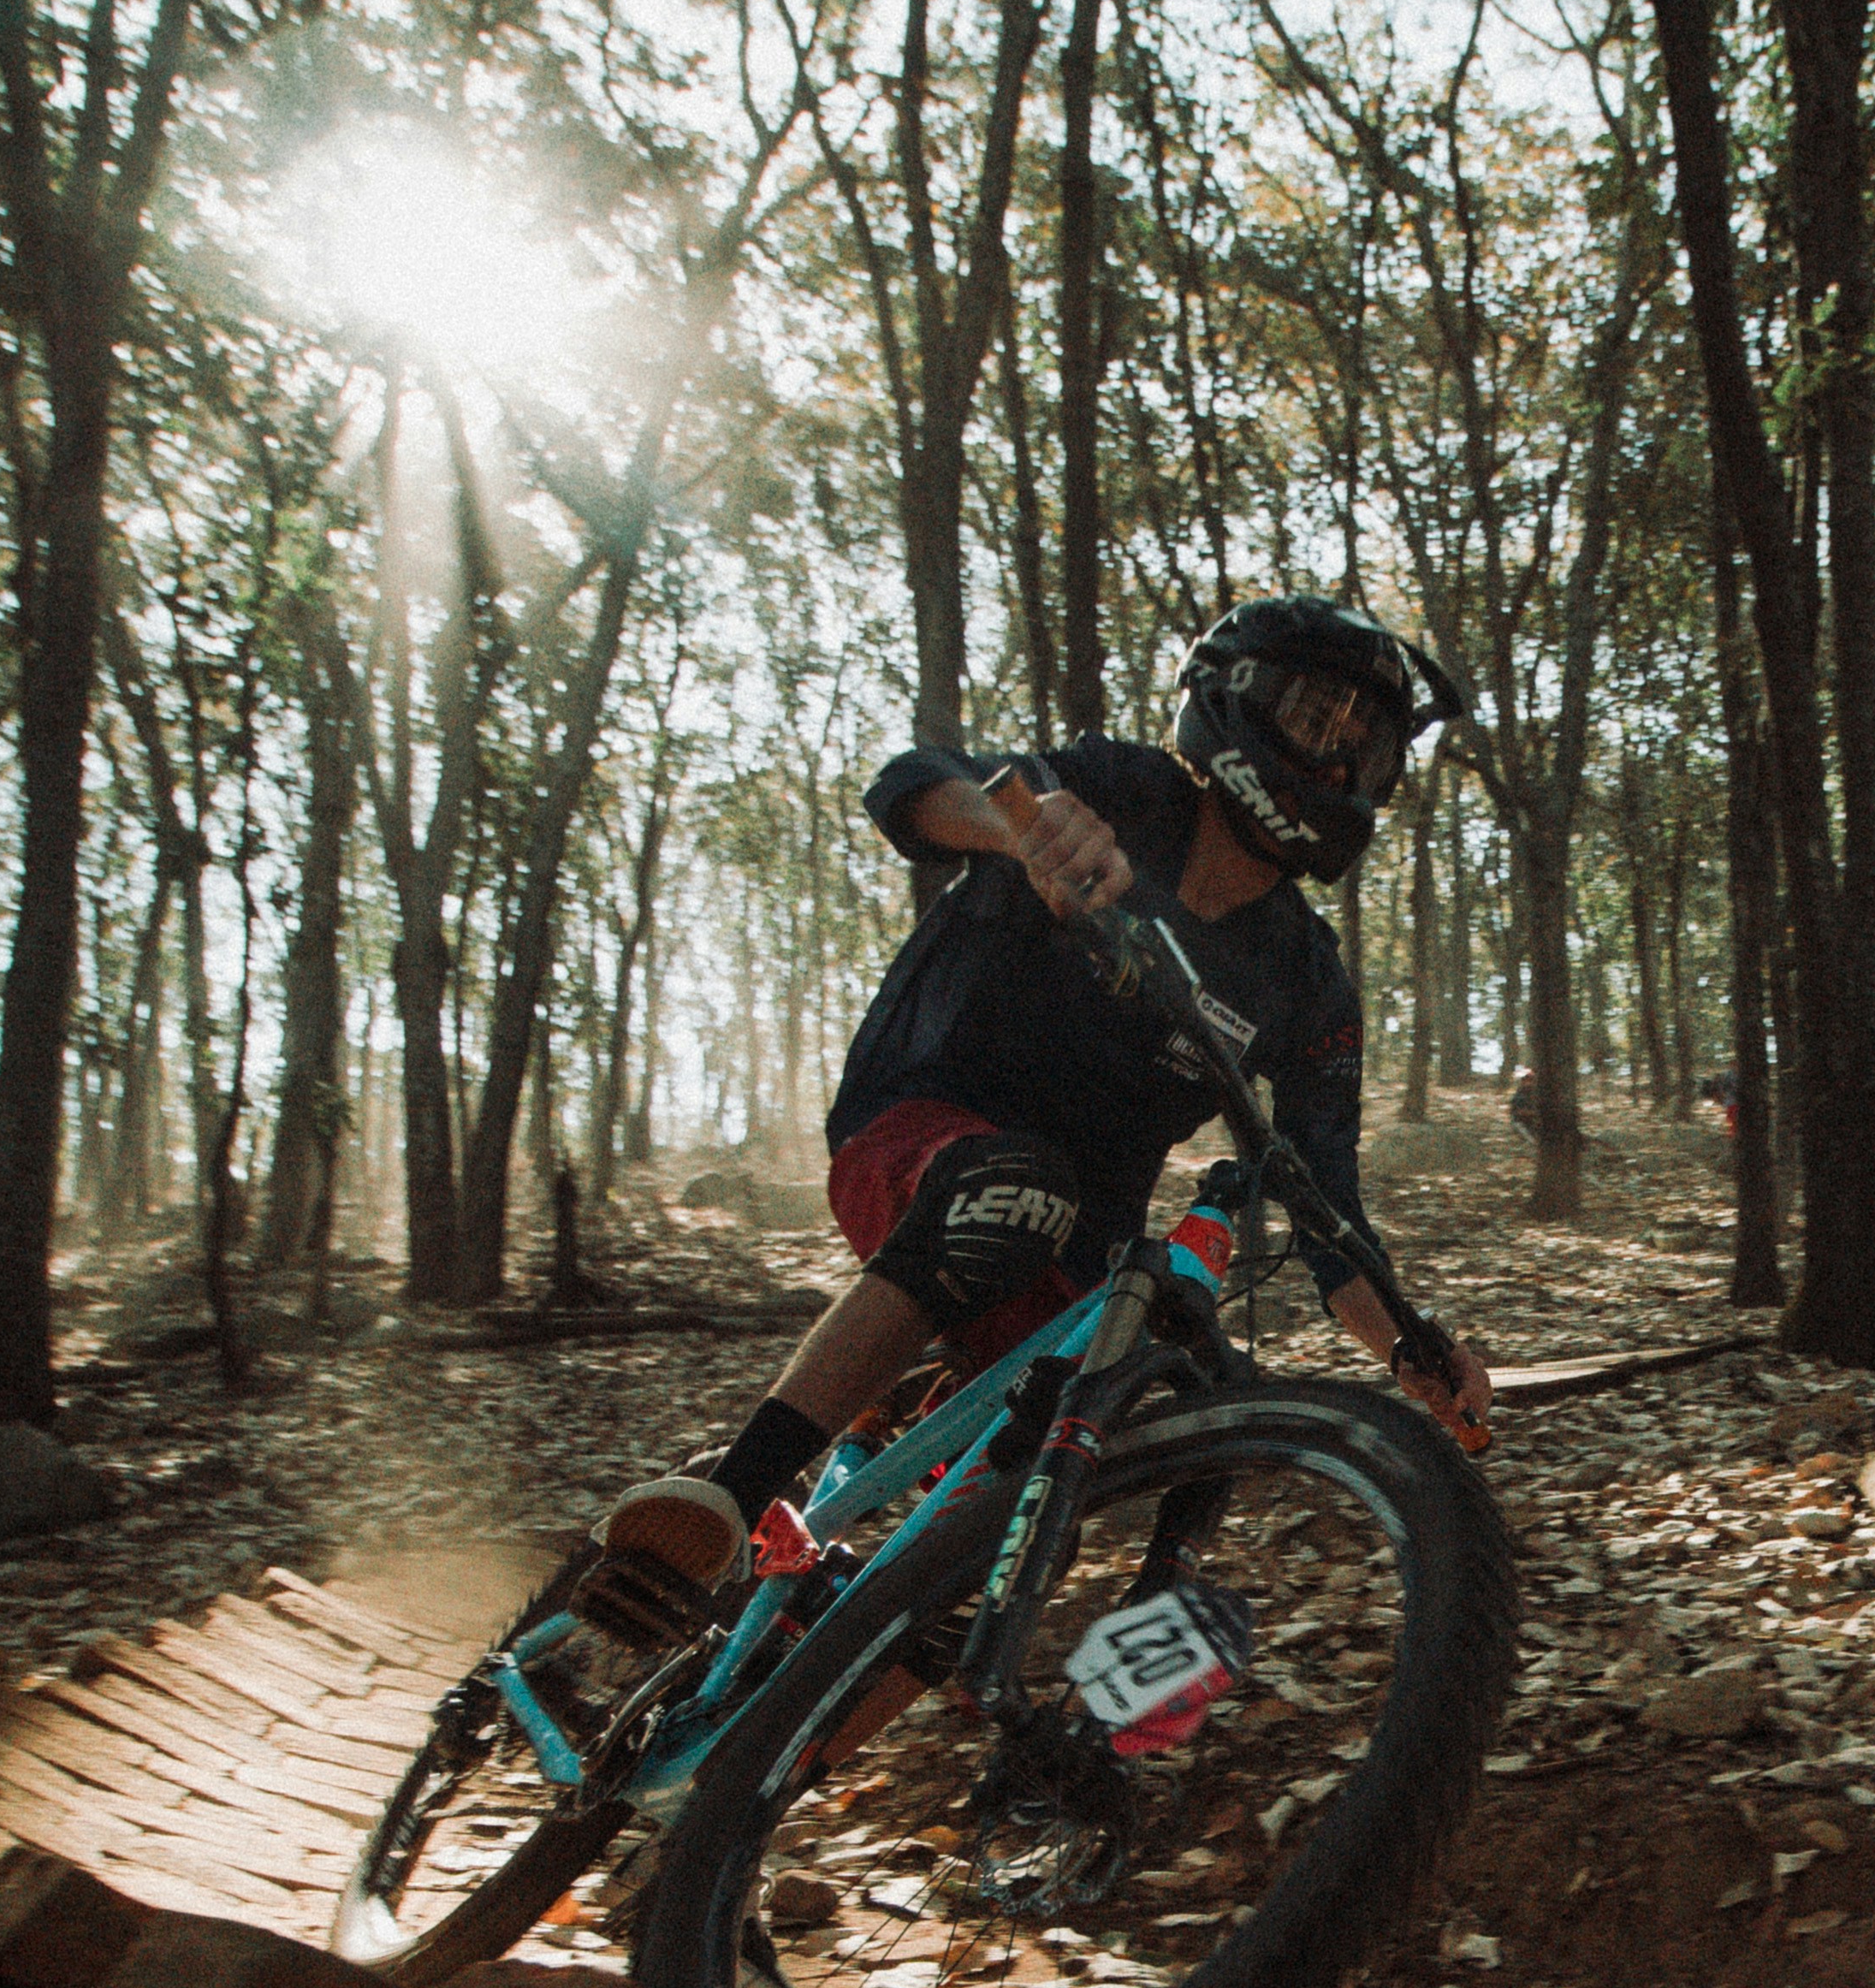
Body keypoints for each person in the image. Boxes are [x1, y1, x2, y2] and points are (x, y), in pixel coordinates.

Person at [582, 597, 1495, 1639]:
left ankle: (787, 1755)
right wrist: (1022, 830)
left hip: (1077, 1258)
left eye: (1368, 752)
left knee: (1126, 1433)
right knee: (1014, 1193)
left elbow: (1329, 1206)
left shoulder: (1307, 979)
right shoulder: (1118, 791)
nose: (1336, 767)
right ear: (1236, 701)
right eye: (1319, 720)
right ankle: (729, 1500)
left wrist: (1411, 1350)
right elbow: (906, 790)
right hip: (918, 1130)